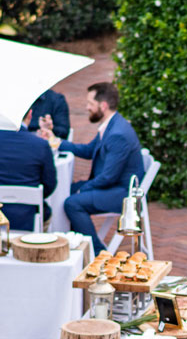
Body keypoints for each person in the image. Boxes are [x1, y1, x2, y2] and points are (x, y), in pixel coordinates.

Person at [53, 82, 147, 251]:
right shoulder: (110, 124)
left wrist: (84, 189)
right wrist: (57, 142)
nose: (87, 107)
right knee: (67, 190)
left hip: (124, 194)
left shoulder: (118, 134)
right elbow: (89, 150)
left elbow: (109, 176)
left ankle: (97, 254)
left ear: (103, 106)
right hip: (114, 185)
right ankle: (77, 248)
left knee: (73, 203)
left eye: (90, 103)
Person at [0, 110, 58, 232]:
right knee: (46, 213)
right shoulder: (40, 144)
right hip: (29, 215)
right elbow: (50, 184)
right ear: (30, 114)